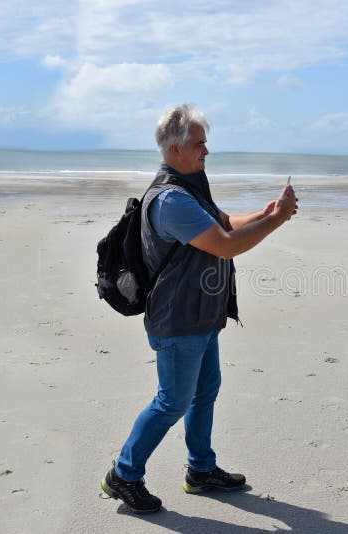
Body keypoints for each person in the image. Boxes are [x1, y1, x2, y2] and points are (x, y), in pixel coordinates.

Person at [101, 103, 298, 514]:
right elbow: (225, 244)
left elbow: (224, 223)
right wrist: (276, 221)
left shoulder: (192, 186)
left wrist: (262, 214)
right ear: (175, 150)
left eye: (206, 143)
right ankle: (123, 474)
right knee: (171, 401)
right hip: (177, 320)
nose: (206, 151)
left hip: (201, 314)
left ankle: (200, 471)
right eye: (199, 144)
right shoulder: (171, 199)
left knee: (204, 392)